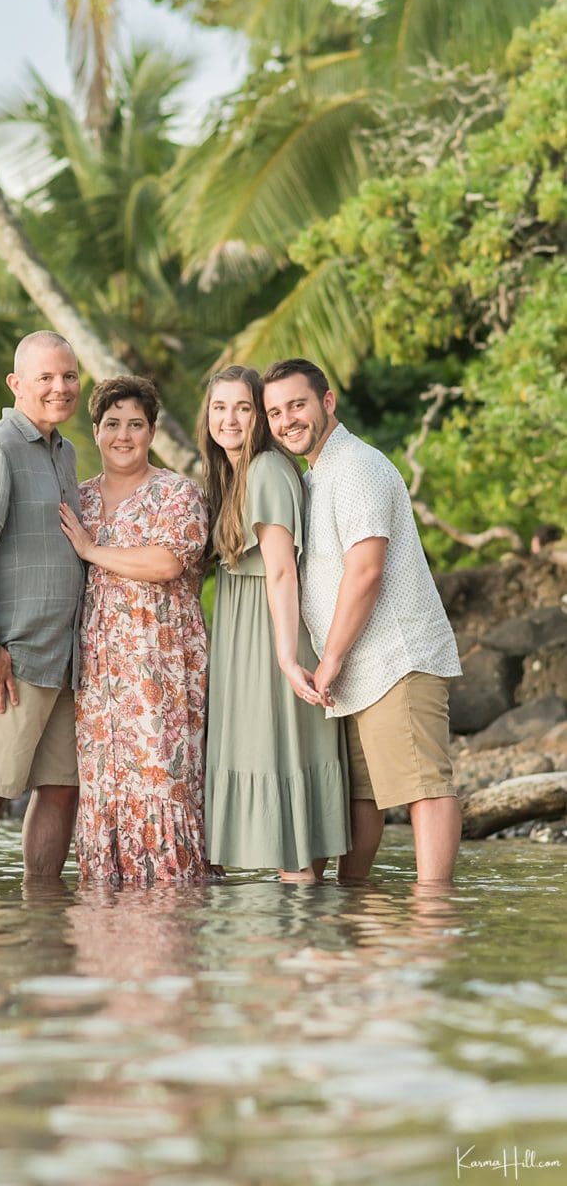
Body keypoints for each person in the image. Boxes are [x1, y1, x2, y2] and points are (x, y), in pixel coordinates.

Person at [261, 359, 463, 885]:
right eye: (276, 412)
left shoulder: (356, 466)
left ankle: (433, 912)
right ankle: (354, 901)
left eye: (297, 405)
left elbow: (367, 571)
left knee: (424, 786)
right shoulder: (319, 473)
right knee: (362, 798)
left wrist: (330, 658)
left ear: (327, 402)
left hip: (396, 658)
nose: (288, 421)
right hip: (360, 669)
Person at [59, 375, 212, 886]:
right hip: (100, 677)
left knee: (164, 781)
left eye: (136, 425)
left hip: (161, 666)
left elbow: (168, 562)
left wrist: (92, 551)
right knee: (105, 787)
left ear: (151, 432)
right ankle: (107, 930)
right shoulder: (77, 500)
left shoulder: (177, 493)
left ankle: (173, 919)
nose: (123, 435)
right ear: (96, 430)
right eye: (112, 424)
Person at [199, 365, 350, 882]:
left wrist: (286, 658)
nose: (230, 419)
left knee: (287, 809)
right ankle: (295, 926)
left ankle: (292, 930)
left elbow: (283, 570)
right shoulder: (236, 474)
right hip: (249, 641)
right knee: (289, 818)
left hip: (271, 643)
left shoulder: (265, 469)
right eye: (219, 408)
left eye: (243, 407)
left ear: (259, 417)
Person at [0, 331, 86, 879]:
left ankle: (43, 919)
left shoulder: (66, 452)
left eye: (69, 376)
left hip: (65, 661)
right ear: (16, 384)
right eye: (46, 377)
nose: (60, 387)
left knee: (60, 790)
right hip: (12, 660)